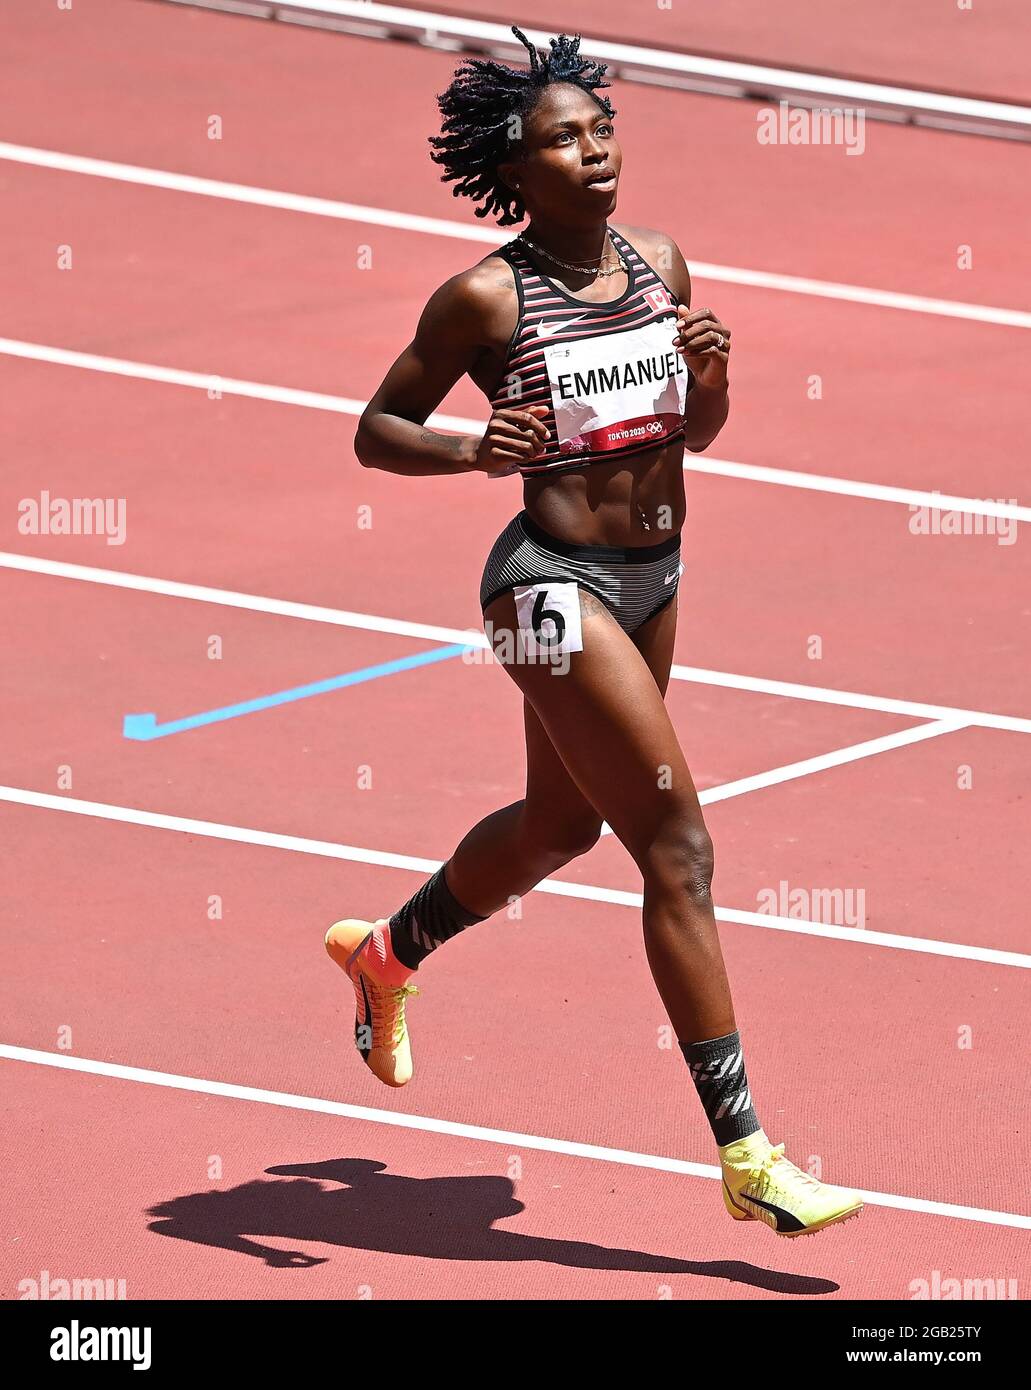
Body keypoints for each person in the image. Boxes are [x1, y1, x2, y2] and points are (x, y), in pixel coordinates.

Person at [327, 27, 862, 1239]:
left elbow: (695, 440)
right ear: (513, 169)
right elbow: (375, 429)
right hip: (542, 588)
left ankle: (386, 957)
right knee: (677, 849)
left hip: (654, 573)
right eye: (564, 139)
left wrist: (713, 377)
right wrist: (475, 446)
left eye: (601, 130)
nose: (594, 151)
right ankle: (749, 1158)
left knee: (562, 823)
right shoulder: (483, 295)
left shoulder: (659, 260)